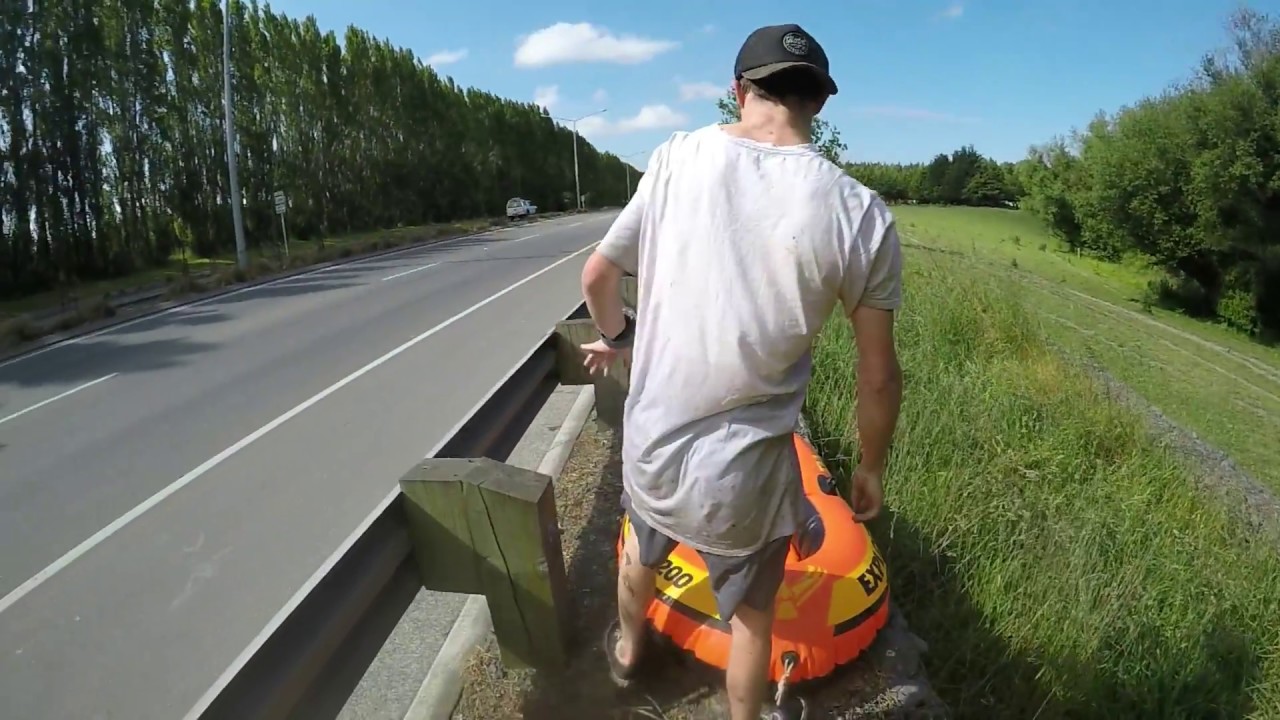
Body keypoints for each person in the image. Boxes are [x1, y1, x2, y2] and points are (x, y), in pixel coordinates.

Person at [577, 22, 904, 720]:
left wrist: (622, 337)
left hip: (652, 444)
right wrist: (869, 467)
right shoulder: (861, 215)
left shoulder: (673, 159)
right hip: (745, 477)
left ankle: (628, 654)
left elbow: (599, 274)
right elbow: (878, 376)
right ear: (818, 102)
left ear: (737, 92)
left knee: (642, 544)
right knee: (754, 618)